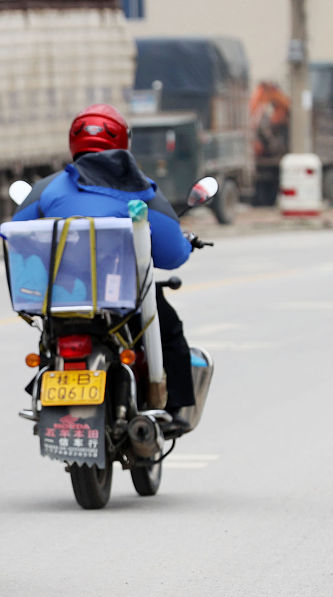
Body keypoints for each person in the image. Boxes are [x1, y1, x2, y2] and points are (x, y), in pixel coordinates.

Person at [11, 103, 196, 419]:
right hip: (122, 299)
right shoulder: (141, 190)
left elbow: (19, 237)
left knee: (48, 341)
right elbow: (172, 255)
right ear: (124, 142)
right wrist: (187, 246)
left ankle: (46, 383)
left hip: (60, 300)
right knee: (169, 331)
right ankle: (174, 411)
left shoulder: (47, 188)